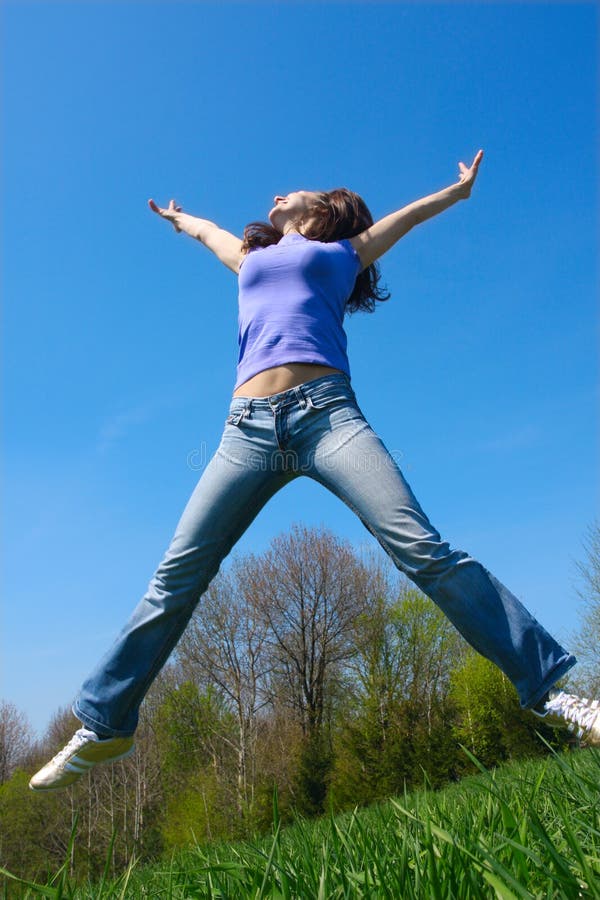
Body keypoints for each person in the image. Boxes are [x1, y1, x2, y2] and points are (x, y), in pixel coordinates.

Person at [30, 151, 599, 791]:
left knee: (423, 550)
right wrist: (181, 220)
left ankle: (550, 689)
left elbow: (407, 218)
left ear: (324, 209)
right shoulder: (252, 260)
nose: (276, 191)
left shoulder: (342, 253)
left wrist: (457, 192)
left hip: (328, 418)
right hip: (245, 430)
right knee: (176, 574)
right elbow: (210, 234)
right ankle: (106, 722)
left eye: (293, 189)